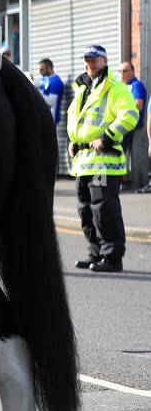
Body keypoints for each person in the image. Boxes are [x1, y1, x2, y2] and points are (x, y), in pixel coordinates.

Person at [67, 45, 138, 273]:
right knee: (86, 210)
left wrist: (106, 137)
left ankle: (112, 258)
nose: (89, 64)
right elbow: (78, 121)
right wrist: (74, 140)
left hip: (103, 162)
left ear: (105, 62)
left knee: (104, 210)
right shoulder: (82, 89)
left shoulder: (114, 88)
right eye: (87, 60)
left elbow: (129, 115)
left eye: (94, 60)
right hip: (84, 162)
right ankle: (96, 254)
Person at [118, 60, 148, 191]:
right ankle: (121, 179)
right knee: (120, 153)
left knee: (122, 153)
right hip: (121, 126)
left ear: (133, 71)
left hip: (132, 127)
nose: (122, 74)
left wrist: (120, 109)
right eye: (120, 71)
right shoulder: (121, 86)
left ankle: (129, 181)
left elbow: (138, 105)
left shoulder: (136, 85)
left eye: (125, 70)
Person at [36, 58, 64, 125]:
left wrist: (37, 91)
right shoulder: (45, 79)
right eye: (39, 70)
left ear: (50, 68)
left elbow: (52, 102)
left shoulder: (56, 81)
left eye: (42, 70)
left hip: (51, 118)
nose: (40, 72)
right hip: (43, 117)